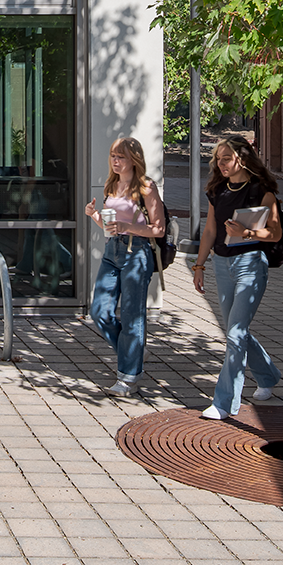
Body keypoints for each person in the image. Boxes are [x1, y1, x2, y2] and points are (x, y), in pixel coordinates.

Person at [193, 134, 283, 420]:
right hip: (221, 265)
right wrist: (199, 266)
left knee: (234, 333)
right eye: (217, 159)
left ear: (242, 159)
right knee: (237, 331)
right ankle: (268, 375)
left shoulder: (261, 192)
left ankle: (224, 403)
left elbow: (275, 232)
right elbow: (209, 231)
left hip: (250, 265)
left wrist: (245, 233)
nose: (220, 164)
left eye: (226, 159)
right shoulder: (217, 190)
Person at [85, 137, 166, 394]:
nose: (115, 161)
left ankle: (128, 377)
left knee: (132, 317)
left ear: (134, 160)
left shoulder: (146, 187)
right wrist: (95, 216)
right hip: (112, 250)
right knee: (99, 311)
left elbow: (159, 229)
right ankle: (132, 353)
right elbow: (109, 227)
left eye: (120, 157)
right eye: (113, 156)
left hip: (137, 252)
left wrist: (127, 227)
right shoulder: (111, 185)